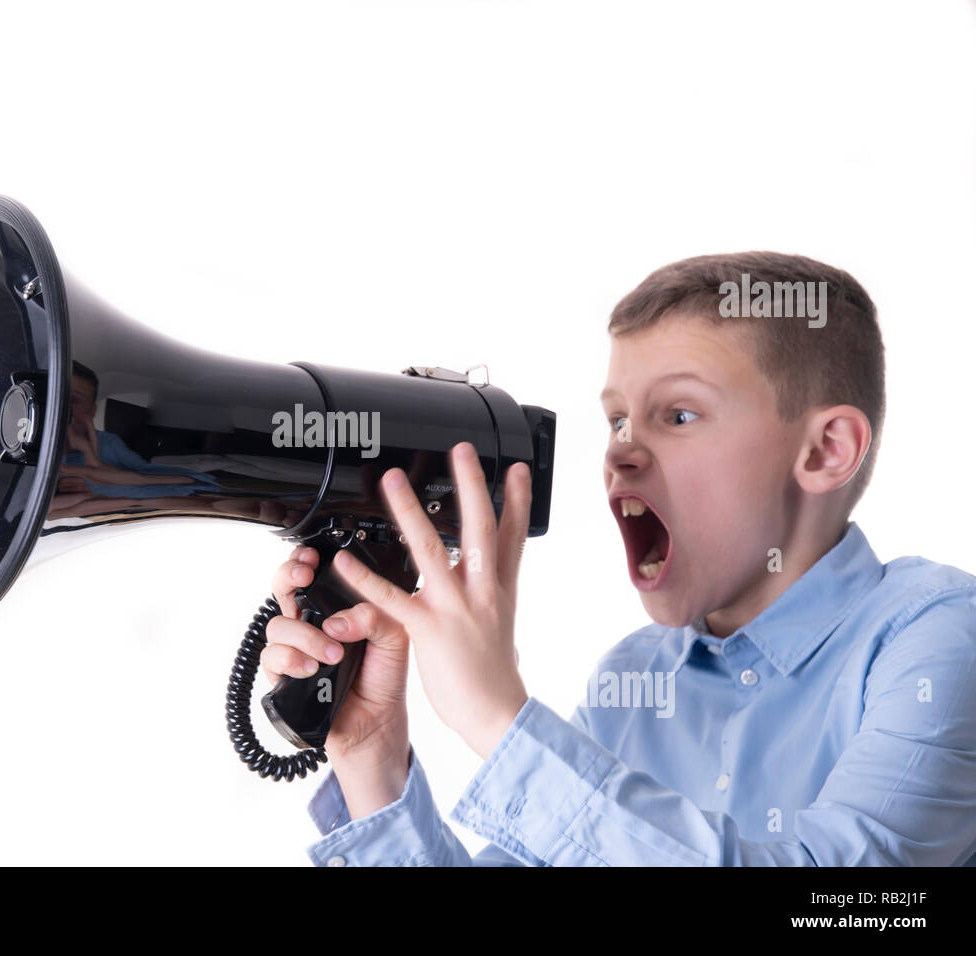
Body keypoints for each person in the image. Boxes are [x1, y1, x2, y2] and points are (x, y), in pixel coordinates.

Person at [262, 252, 976, 866]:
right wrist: (372, 753)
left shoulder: (936, 637)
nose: (620, 451)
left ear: (824, 453)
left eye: (680, 414)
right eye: (617, 420)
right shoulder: (636, 679)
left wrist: (497, 718)